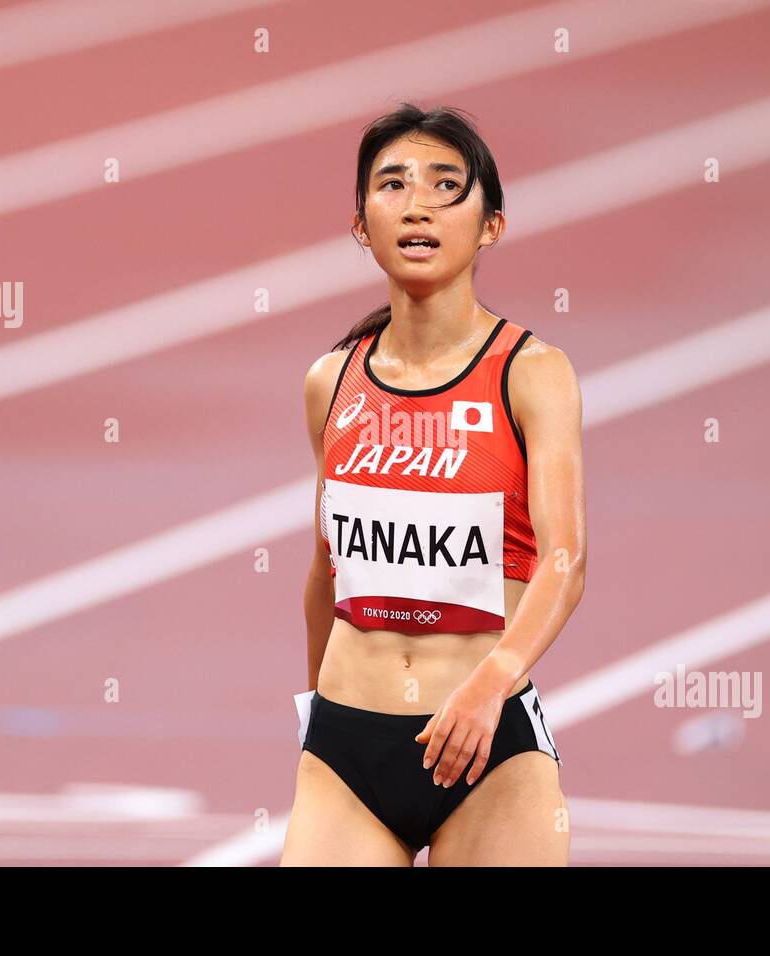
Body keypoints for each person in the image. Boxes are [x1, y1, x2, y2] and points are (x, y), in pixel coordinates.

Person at [280, 103, 586, 866]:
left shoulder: (531, 373)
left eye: (446, 185)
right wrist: (317, 715)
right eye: (392, 185)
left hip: (487, 746)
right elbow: (325, 570)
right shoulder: (332, 380)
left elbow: (565, 560)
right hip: (347, 749)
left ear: (491, 226)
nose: (416, 204)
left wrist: (495, 683)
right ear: (361, 224)